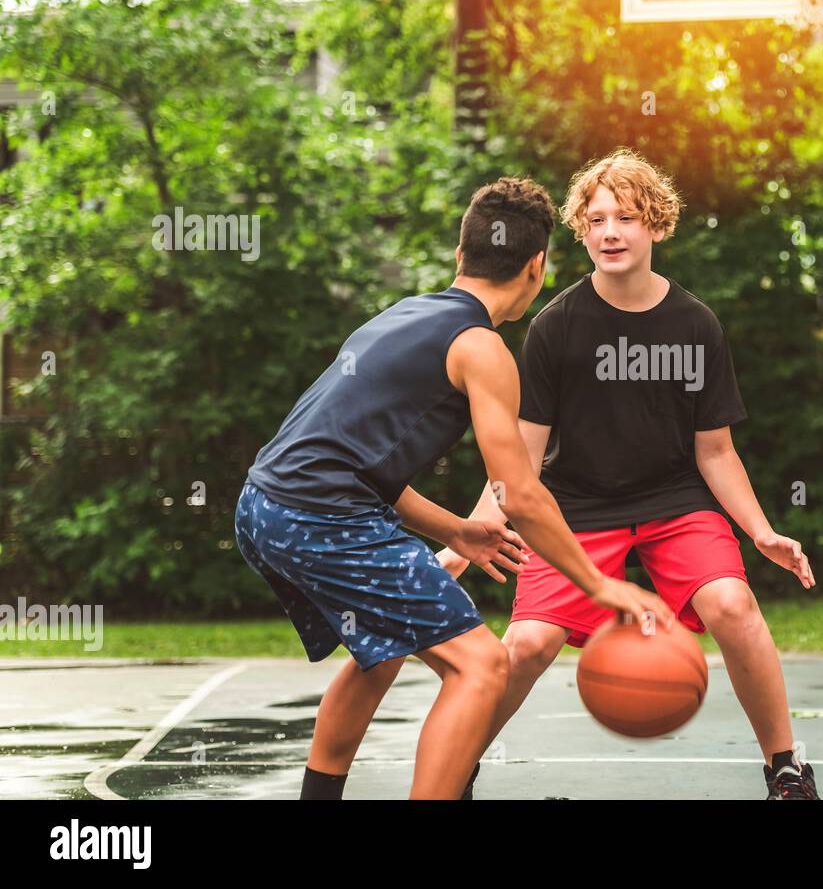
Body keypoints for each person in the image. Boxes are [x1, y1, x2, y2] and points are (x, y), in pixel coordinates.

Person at [234, 176, 672, 800]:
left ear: (460, 255)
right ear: (536, 267)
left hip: (263, 506)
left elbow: (352, 464)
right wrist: (600, 583)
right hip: (319, 516)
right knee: (482, 665)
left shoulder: (402, 315)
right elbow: (519, 491)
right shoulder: (483, 349)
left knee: (381, 646)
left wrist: (457, 530)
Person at [440, 151, 819, 799]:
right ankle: (455, 768)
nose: (610, 231)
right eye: (596, 219)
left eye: (627, 216)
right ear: (581, 232)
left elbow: (716, 452)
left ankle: (785, 769)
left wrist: (760, 532)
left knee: (733, 603)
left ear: (658, 226)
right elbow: (521, 457)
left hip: (675, 499)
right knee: (527, 643)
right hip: (577, 505)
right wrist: (467, 537)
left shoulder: (695, 325)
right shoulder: (555, 328)